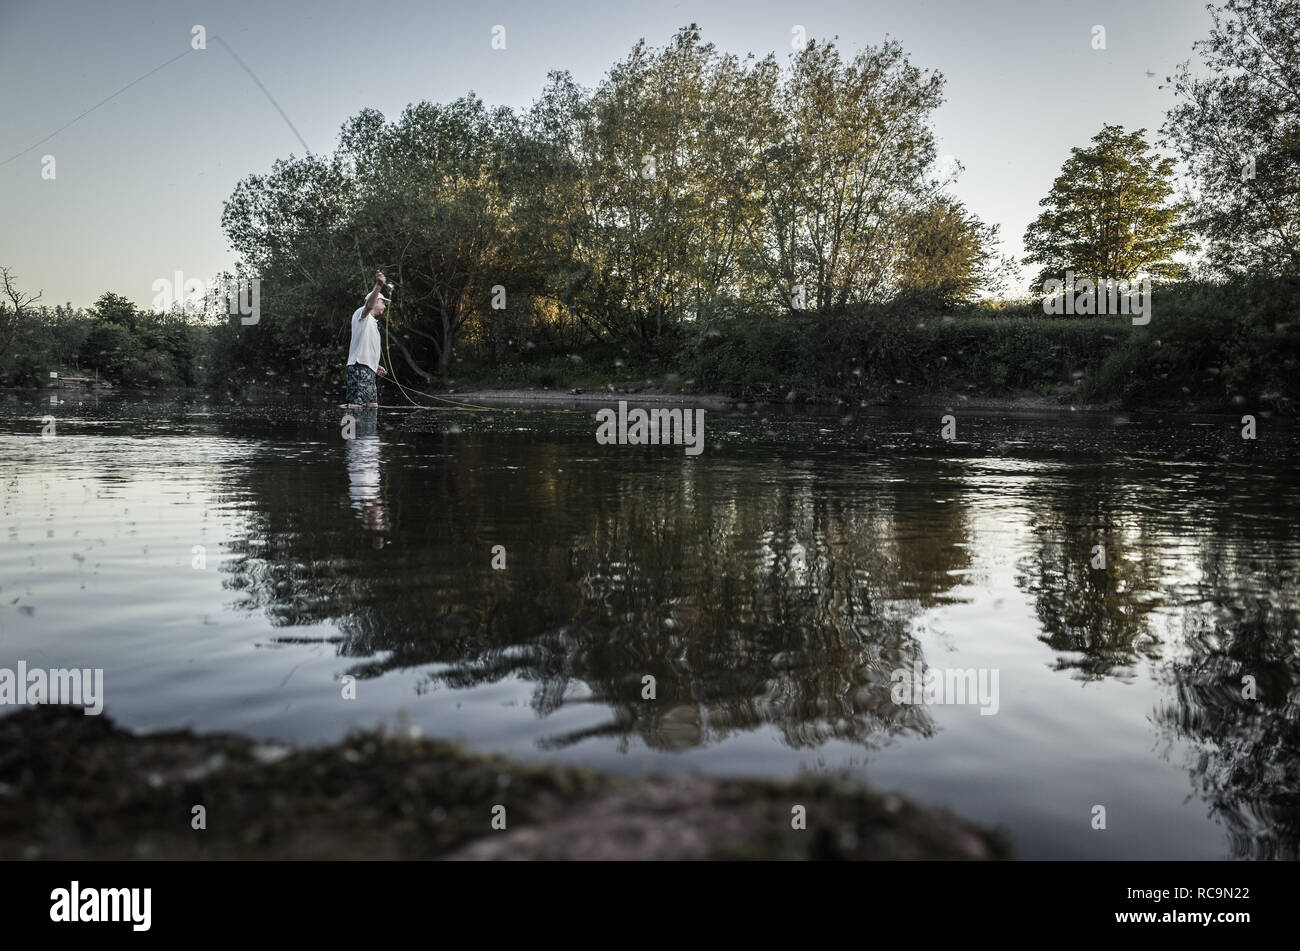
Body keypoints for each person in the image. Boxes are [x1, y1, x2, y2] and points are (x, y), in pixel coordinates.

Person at [346, 272, 390, 407]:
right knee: (355, 406)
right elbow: (368, 306)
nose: (385, 306)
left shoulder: (372, 322)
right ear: (376, 301)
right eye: (383, 302)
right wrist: (379, 285)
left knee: (373, 406)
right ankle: (351, 428)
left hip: (368, 369)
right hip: (358, 367)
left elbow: (367, 346)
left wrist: (375, 365)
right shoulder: (361, 313)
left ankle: (368, 429)